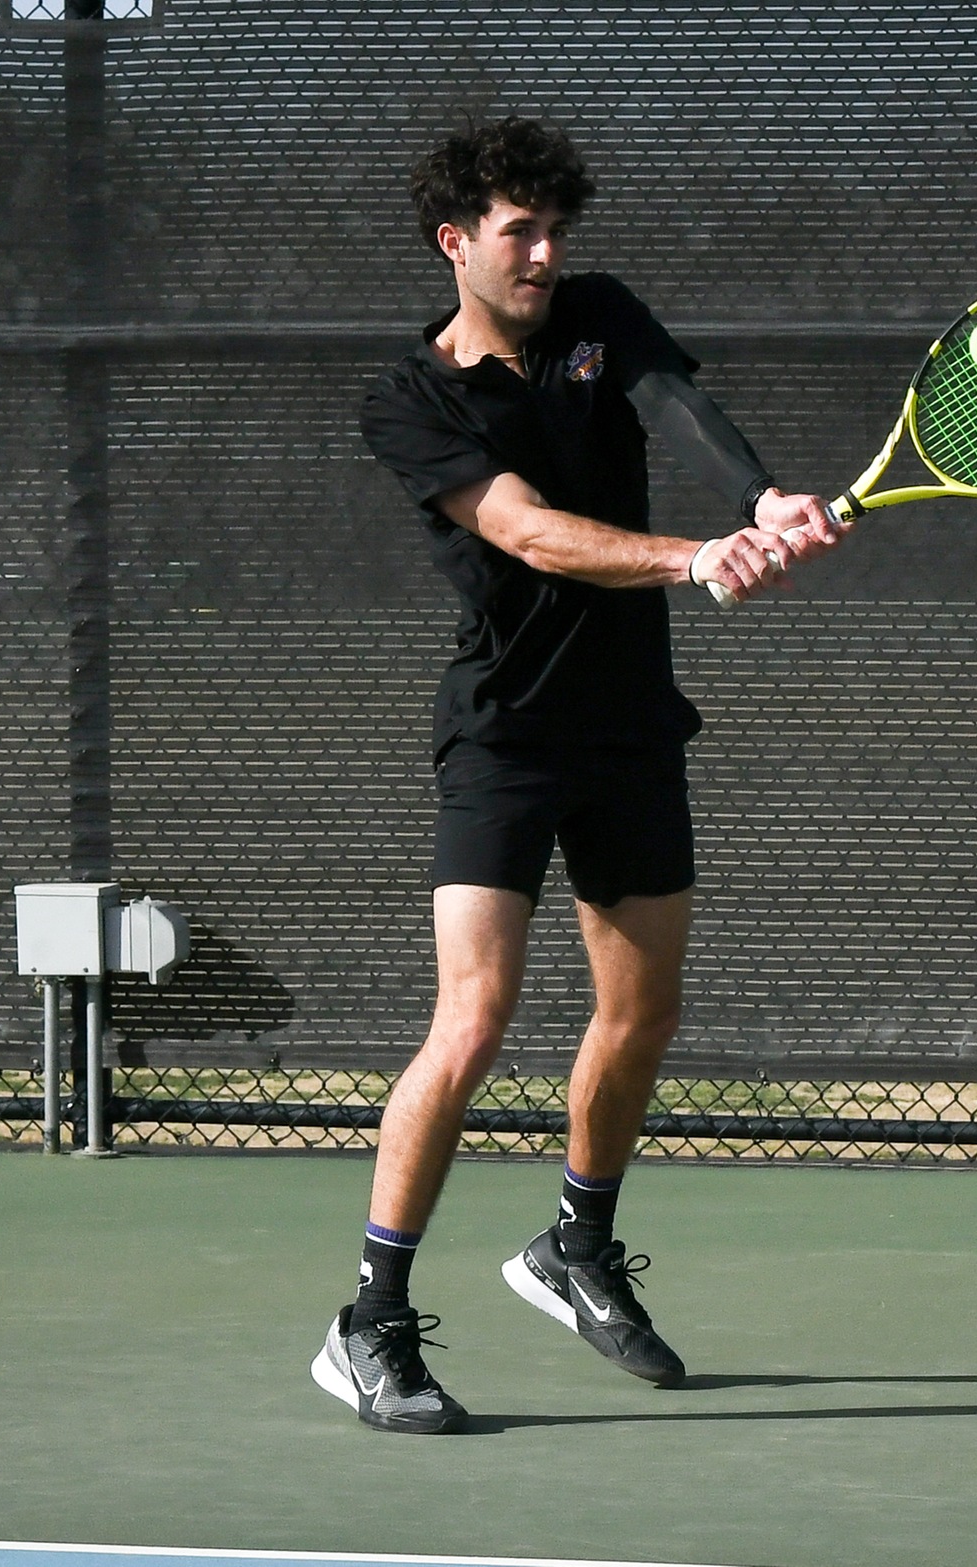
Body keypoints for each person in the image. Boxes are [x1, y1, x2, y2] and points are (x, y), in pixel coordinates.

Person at [311, 117, 845, 1434]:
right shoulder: (411, 397)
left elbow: (677, 405)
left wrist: (764, 500)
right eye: (519, 234)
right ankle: (369, 1321)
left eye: (557, 232)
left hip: (629, 729)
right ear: (457, 244)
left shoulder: (599, 317)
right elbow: (530, 534)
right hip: (504, 736)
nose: (547, 255)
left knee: (643, 1010)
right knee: (476, 1020)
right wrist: (689, 557)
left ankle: (574, 1247)